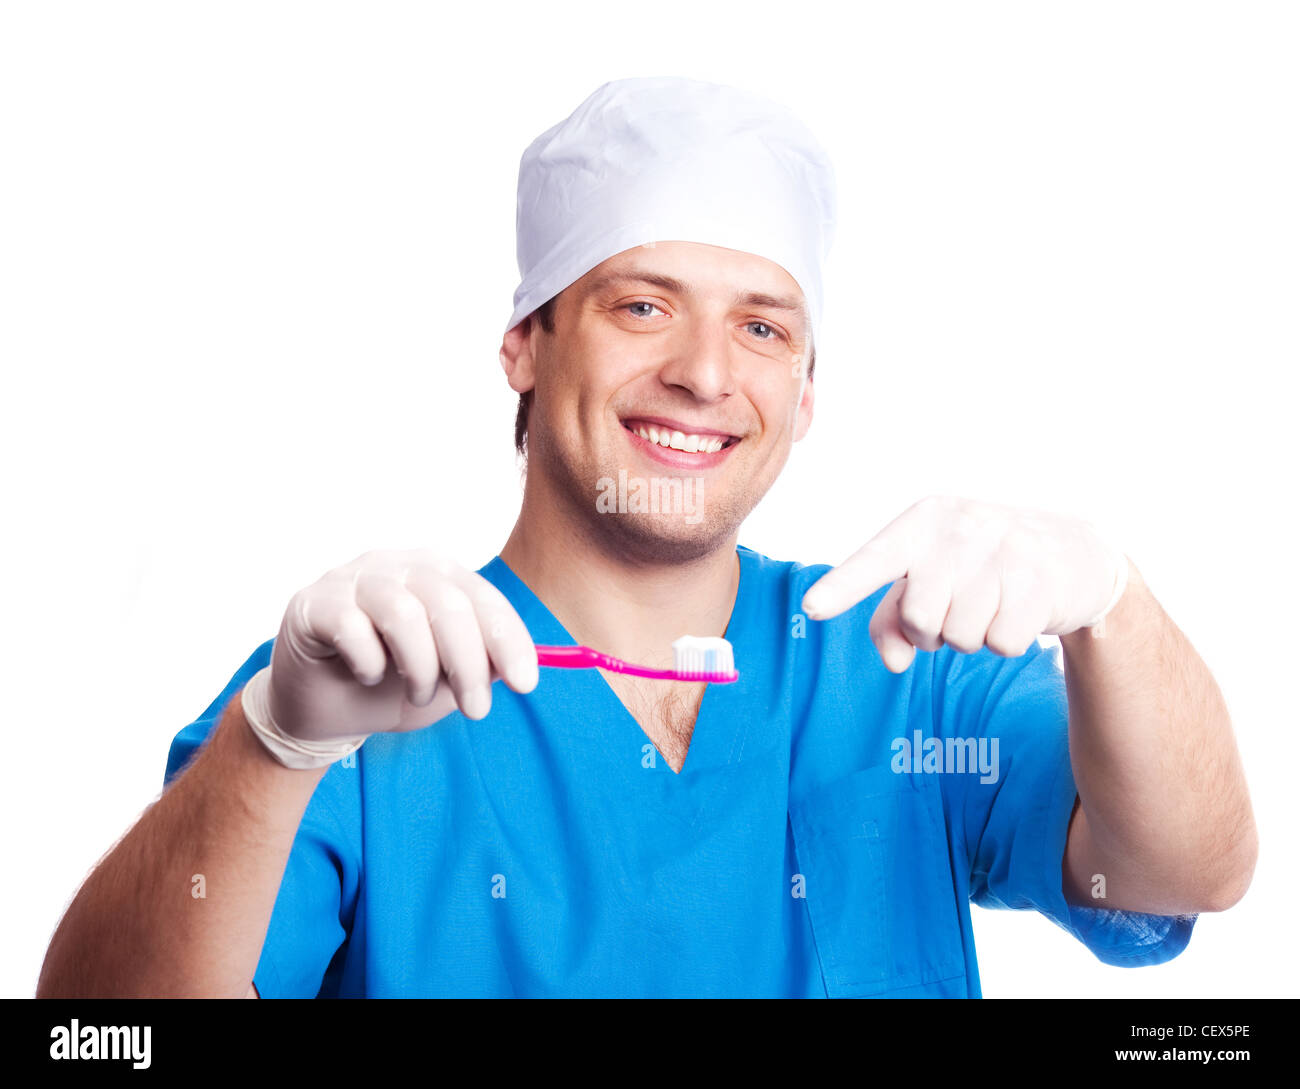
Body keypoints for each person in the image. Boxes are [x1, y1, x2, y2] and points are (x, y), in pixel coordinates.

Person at [38, 76, 1256, 999]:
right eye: (641, 305)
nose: (704, 374)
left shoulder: (912, 676)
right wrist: (272, 750)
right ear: (525, 341)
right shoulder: (360, 690)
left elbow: (1182, 874)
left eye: (765, 329)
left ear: (808, 393)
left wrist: (1116, 609)